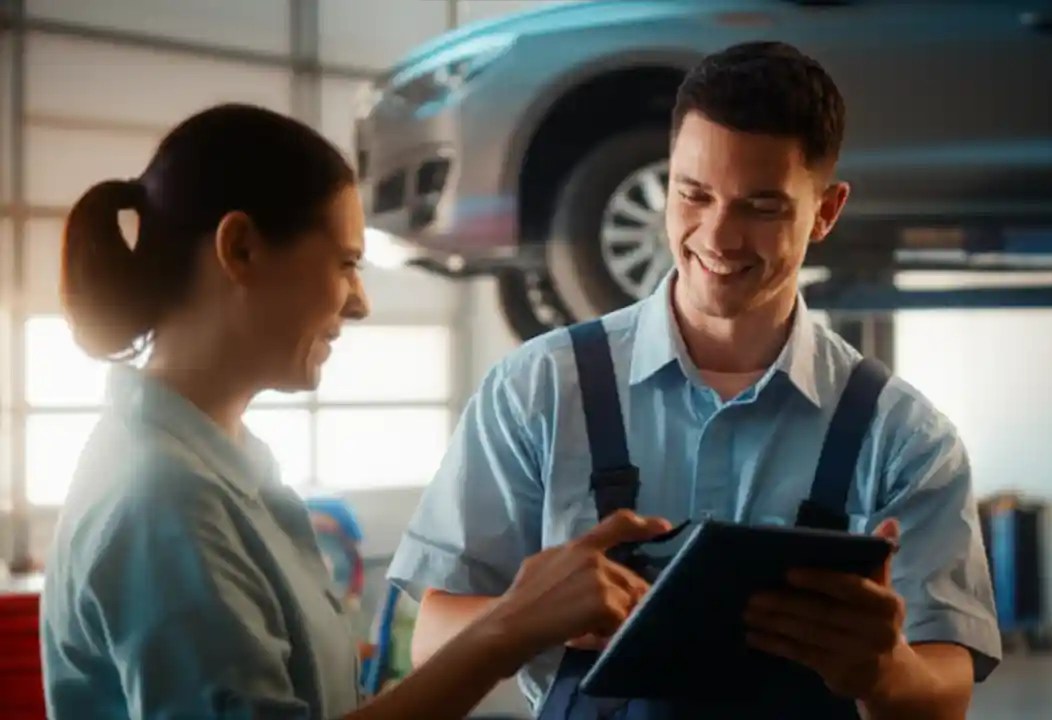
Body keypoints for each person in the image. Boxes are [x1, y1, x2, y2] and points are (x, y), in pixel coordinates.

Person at [388, 41, 1002, 719]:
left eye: (762, 207)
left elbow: (946, 688)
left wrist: (887, 672)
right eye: (694, 194)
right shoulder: (538, 390)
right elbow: (434, 636)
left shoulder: (905, 438)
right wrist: (530, 617)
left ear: (825, 210)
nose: (719, 237)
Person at [37, 103, 674, 720]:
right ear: (241, 250)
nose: (360, 303)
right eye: (346, 265)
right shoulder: (165, 501)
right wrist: (506, 628)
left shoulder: (216, 463)